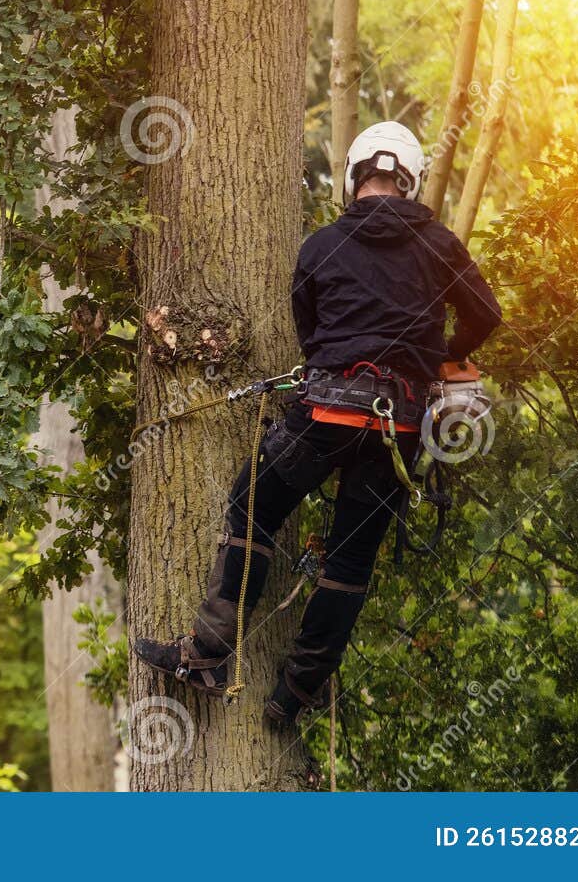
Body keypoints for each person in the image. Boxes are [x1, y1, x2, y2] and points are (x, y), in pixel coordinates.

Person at [133, 121, 503, 730]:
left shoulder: (321, 244)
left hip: (326, 413)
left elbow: (311, 336)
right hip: (402, 427)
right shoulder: (440, 244)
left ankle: (207, 656)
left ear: (356, 174)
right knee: (350, 563)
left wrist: (340, 362)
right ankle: (294, 696)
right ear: (408, 180)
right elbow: (486, 314)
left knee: (253, 508)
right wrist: (438, 353)